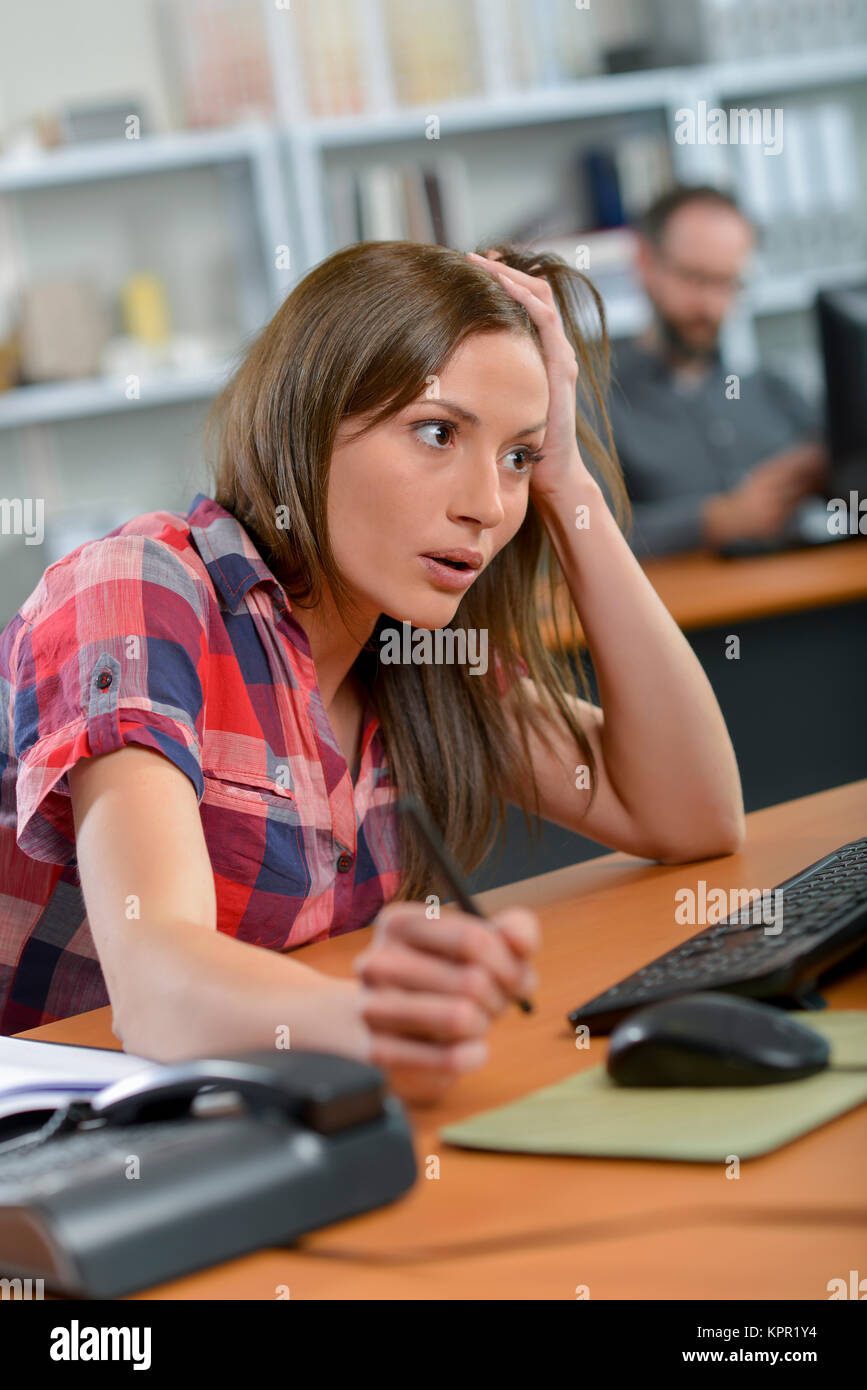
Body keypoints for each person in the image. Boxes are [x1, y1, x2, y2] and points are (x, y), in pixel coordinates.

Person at [0, 241, 744, 1105]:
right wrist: (372, 1021)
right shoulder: (138, 589)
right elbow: (154, 987)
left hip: (252, 1110)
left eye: (515, 458)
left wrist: (568, 479)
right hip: (52, 1152)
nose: (488, 505)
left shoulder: (409, 645)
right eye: (437, 433)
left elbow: (691, 814)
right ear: (309, 418)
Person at [608, 185, 828, 557]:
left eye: (728, 284)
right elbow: (585, 536)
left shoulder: (774, 389)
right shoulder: (598, 404)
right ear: (645, 263)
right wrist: (716, 520)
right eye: (695, 278)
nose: (711, 306)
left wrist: (825, 470)